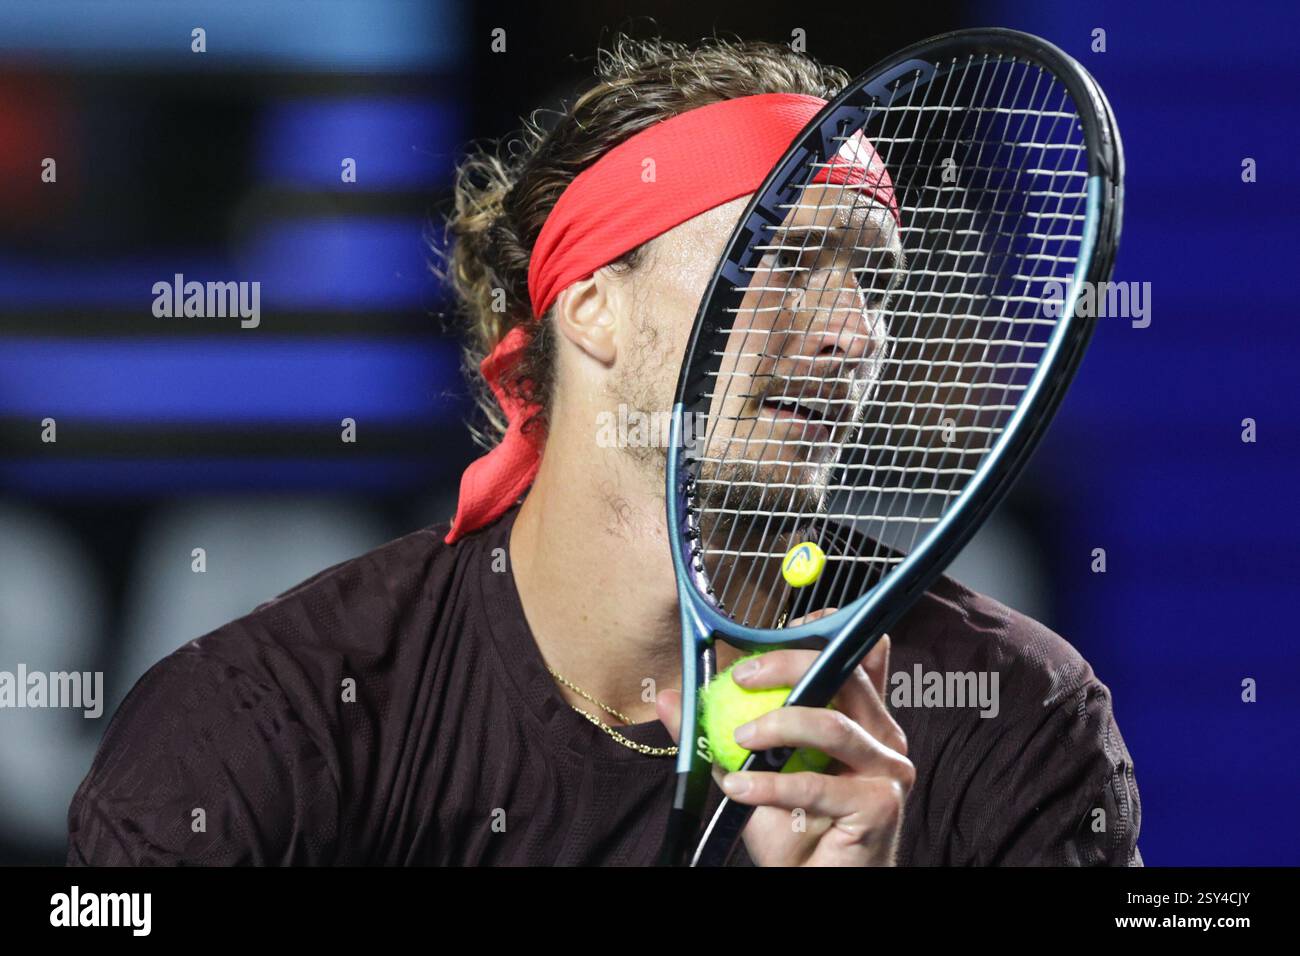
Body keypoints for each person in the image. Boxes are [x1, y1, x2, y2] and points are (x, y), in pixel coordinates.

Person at [67, 35, 1140, 866]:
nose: (854, 332)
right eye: (791, 256)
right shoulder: (259, 724)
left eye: (876, 277)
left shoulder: (1016, 716)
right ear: (591, 308)